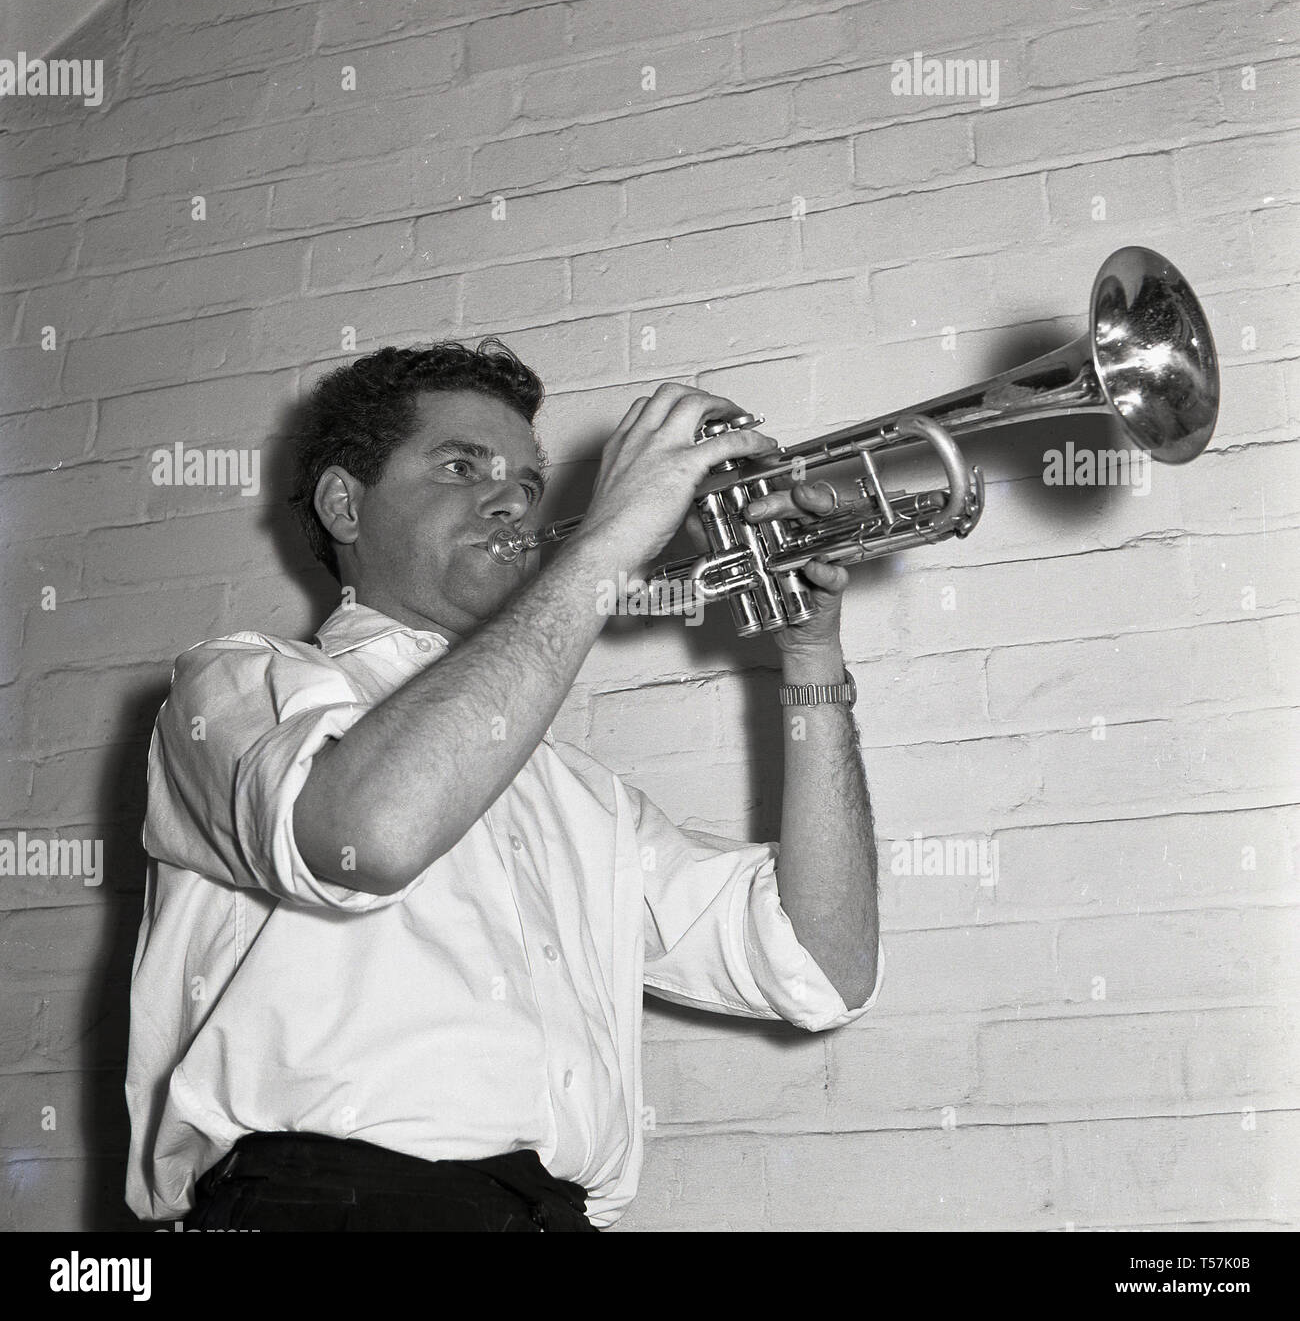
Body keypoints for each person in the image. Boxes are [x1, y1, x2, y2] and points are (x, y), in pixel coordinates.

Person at [124, 338, 882, 1232]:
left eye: (528, 479)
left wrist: (810, 655)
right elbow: (368, 833)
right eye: (461, 465)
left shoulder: (579, 794)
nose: (513, 499)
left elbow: (823, 967)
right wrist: (610, 540)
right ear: (344, 503)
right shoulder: (239, 684)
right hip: (321, 1205)